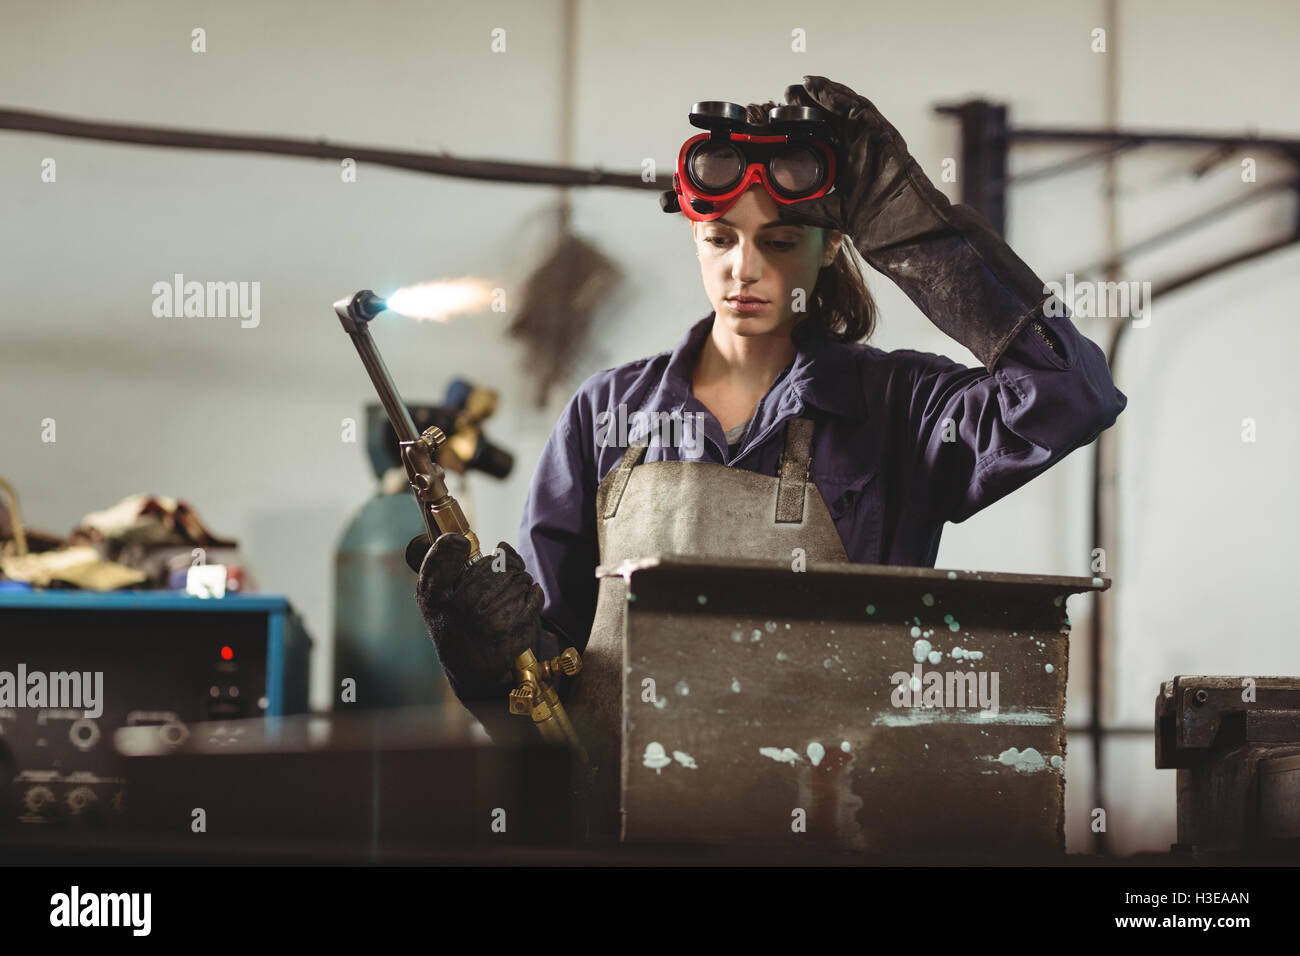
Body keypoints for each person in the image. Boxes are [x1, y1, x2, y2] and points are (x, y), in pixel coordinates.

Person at [415, 76, 1128, 840]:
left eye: (780, 241)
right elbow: (546, 679)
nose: (744, 268)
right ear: (694, 232)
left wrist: (907, 228)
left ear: (830, 247)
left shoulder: (899, 409)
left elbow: (1068, 396)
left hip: (843, 828)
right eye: (720, 237)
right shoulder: (606, 413)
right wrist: (482, 653)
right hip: (627, 831)